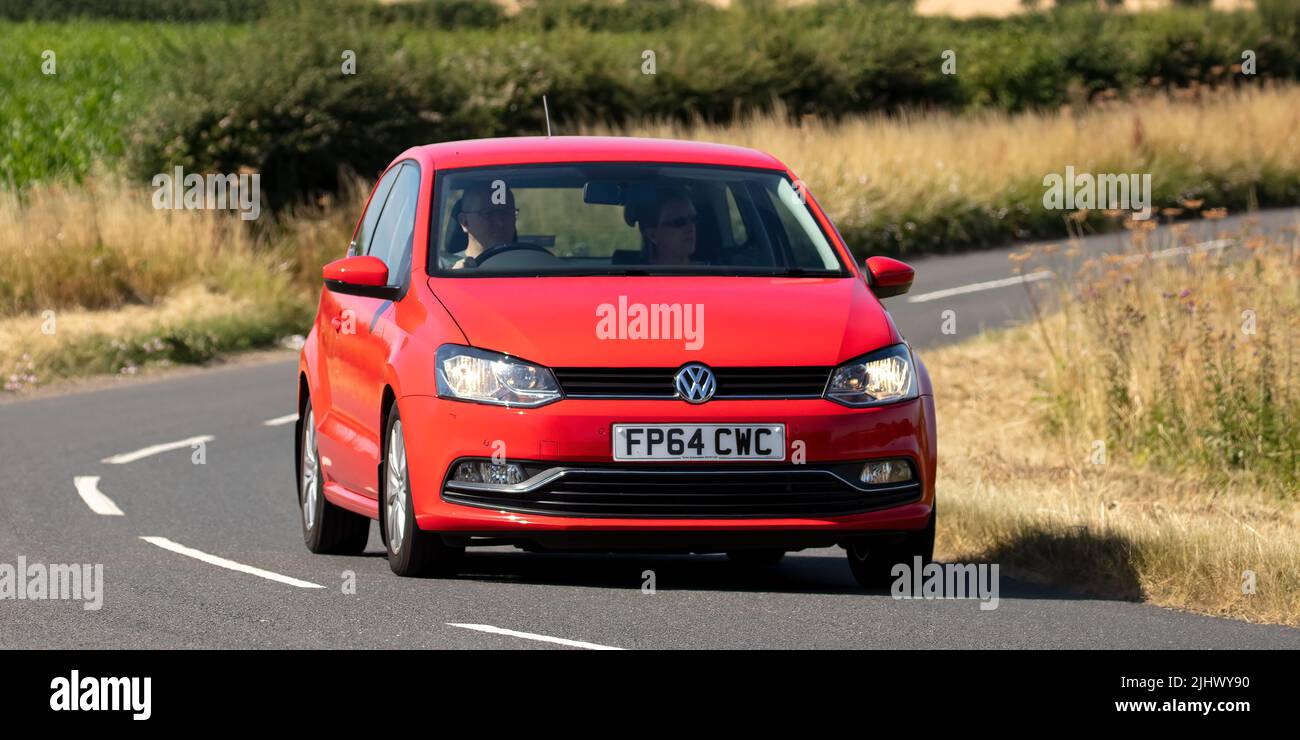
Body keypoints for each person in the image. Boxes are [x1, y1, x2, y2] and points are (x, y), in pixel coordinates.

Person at [450, 182, 518, 268]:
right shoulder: (443, 269)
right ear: (464, 221)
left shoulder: (533, 265)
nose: (500, 222)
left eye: (506, 213)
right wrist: (455, 279)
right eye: (488, 214)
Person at [627, 186, 698, 266]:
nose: (691, 227)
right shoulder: (638, 277)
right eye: (679, 222)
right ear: (653, 235)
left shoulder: (709, 273)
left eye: (693, 219)